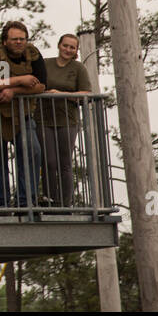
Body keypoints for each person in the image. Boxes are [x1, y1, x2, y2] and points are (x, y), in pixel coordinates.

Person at [0, 21, 46, 209]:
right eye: (14, 39)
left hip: (21, 114)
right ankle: (1, 206)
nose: (19, 42)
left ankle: (26, 203)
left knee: (32, 151)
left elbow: (41, 86)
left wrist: (14, 91)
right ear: (5, 41)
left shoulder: (33, 54)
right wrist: (20, 80)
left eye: (22, 39)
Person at [39, 34, 93, 207]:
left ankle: (64, 203)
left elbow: (86, 93)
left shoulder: (78, 68)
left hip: (67, 120)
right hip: (43, 118)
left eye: (72, 47)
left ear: (76, 50)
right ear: (59, 45)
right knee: (48, 161)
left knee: (65, 163)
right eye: (65, 45)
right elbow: (35, 85)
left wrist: (62, 94)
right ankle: (49, 199)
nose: (68, 50)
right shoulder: (45, 64)